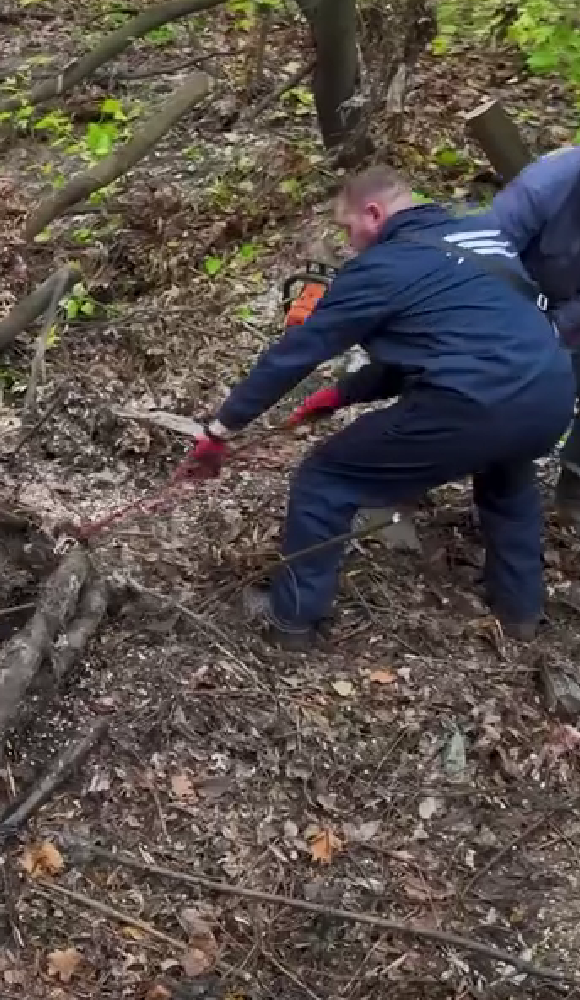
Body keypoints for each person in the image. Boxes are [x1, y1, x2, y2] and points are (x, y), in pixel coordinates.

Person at [181, 166, 572, 649]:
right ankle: (520, 612)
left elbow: (298, 352)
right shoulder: (479, 237)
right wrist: (341, 393)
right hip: (550, 394)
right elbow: (456, 345)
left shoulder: (385, 266)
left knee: (326, 480)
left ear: (373, 213)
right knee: (507, 480)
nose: (349, 244)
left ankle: (292, 622)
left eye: (348, 228)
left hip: (474, 403)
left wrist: (220, 430)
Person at [487, 145, 580, 513]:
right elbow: (487, 250)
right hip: (505, 300)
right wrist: (518, 323)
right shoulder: (548, 183)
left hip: (567, 317)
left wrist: (554, 329)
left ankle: (574, 486)